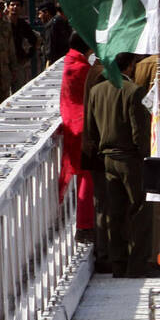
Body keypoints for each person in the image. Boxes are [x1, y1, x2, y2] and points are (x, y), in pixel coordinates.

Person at [83, 53, 153, 277]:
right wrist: (146, 156)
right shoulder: (133, 91)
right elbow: (138, 131)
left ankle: (118, 264)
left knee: (115, 213)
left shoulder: (96, 91)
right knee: (140, 211)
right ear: (131, 66)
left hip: (107, 159)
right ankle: (137, 265)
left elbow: (90, 128)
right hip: (130, 159)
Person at [58, 33, 95, 237]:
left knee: (83, 176)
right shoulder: (81, 69)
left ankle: (84, 223)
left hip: (72, 126)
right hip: (81, 128)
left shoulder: (70, 63)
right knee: (86, 177)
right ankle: (85, 224)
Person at [8, 0, 38, 90]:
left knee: (17, 90)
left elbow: (34, 40)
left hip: (18, 61)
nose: (15, 7)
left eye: (18, 5)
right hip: (3, 62)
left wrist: (28, 56)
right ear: (8, 7)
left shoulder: (22, 24)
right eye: (12, 5)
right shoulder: (3, 23)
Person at [39, 1, 72, 66]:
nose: (39, 16)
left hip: (56, 63)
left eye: (40, 13)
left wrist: (49, 63)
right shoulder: (64, 21)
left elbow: (50, 49)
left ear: (46, 12)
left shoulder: (52, 24)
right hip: (66, 60)